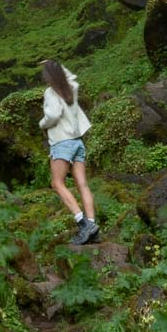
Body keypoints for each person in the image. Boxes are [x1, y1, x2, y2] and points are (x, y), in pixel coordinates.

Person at [38, 58, 98, 245]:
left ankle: (82, 223)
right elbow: (72, 77)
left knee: (57, 183)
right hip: (77, 142)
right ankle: (93, 225)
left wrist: (42, 124)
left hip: (62, 142)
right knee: (83, 184)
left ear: (48, 76)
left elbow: (54, 115)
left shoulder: (51, 92)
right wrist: (54, 64)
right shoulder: (70, 86)